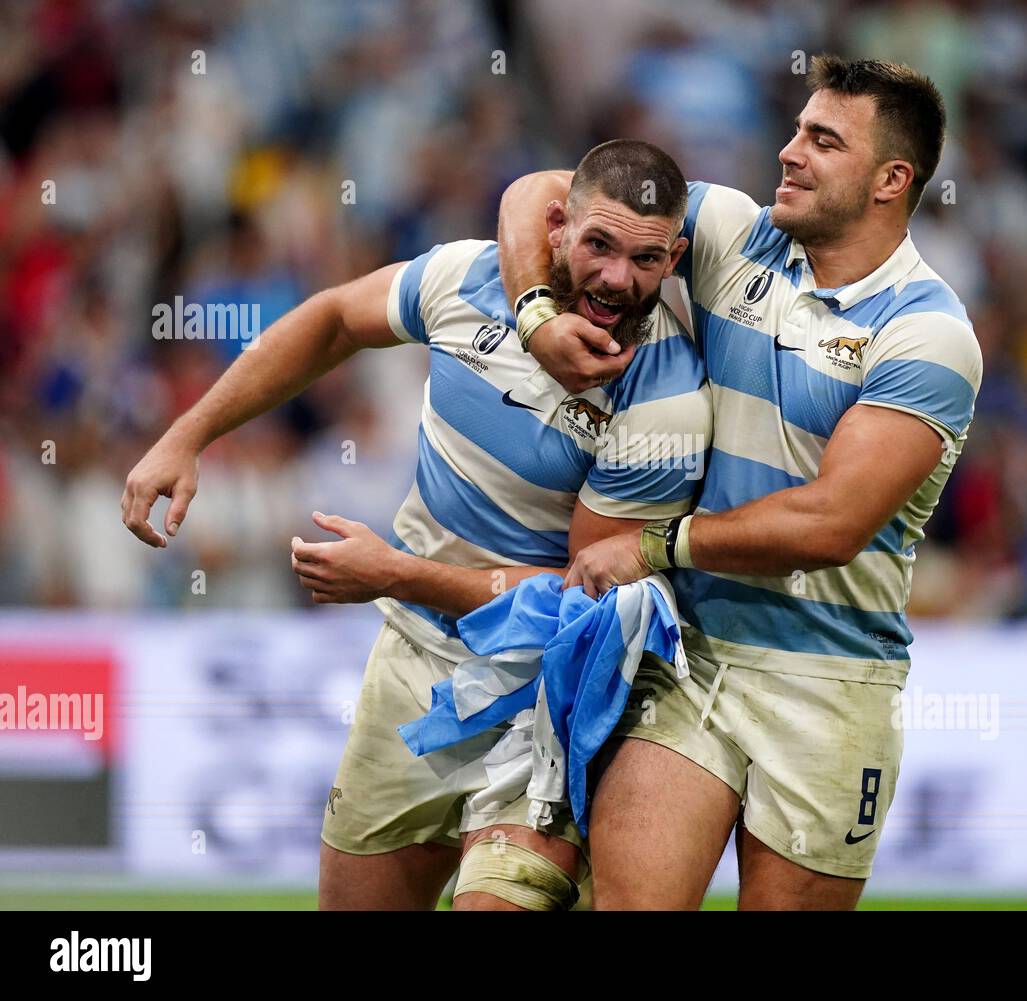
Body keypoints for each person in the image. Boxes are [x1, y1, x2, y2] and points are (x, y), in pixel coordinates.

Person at [121, 139, 711, 910]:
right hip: (411, 665)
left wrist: (397, 574)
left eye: (645, 258)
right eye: (599, 244)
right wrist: (187, 433)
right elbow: (334, 319)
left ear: (676, 259)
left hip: (548, 698)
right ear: (559, 226)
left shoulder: (666, 400)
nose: (615, 278)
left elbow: (580, 597)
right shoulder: (469, 278)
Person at [498, 56, 982, 909]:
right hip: (693, 654)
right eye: (797, 129)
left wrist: (652, 544)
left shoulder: (928, 334)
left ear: (891, 180)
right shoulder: (738, 234)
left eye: (823, 141)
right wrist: (537, 315)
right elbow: (544, 189)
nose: (789, 152)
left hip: (829, 683)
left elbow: (831, 523)